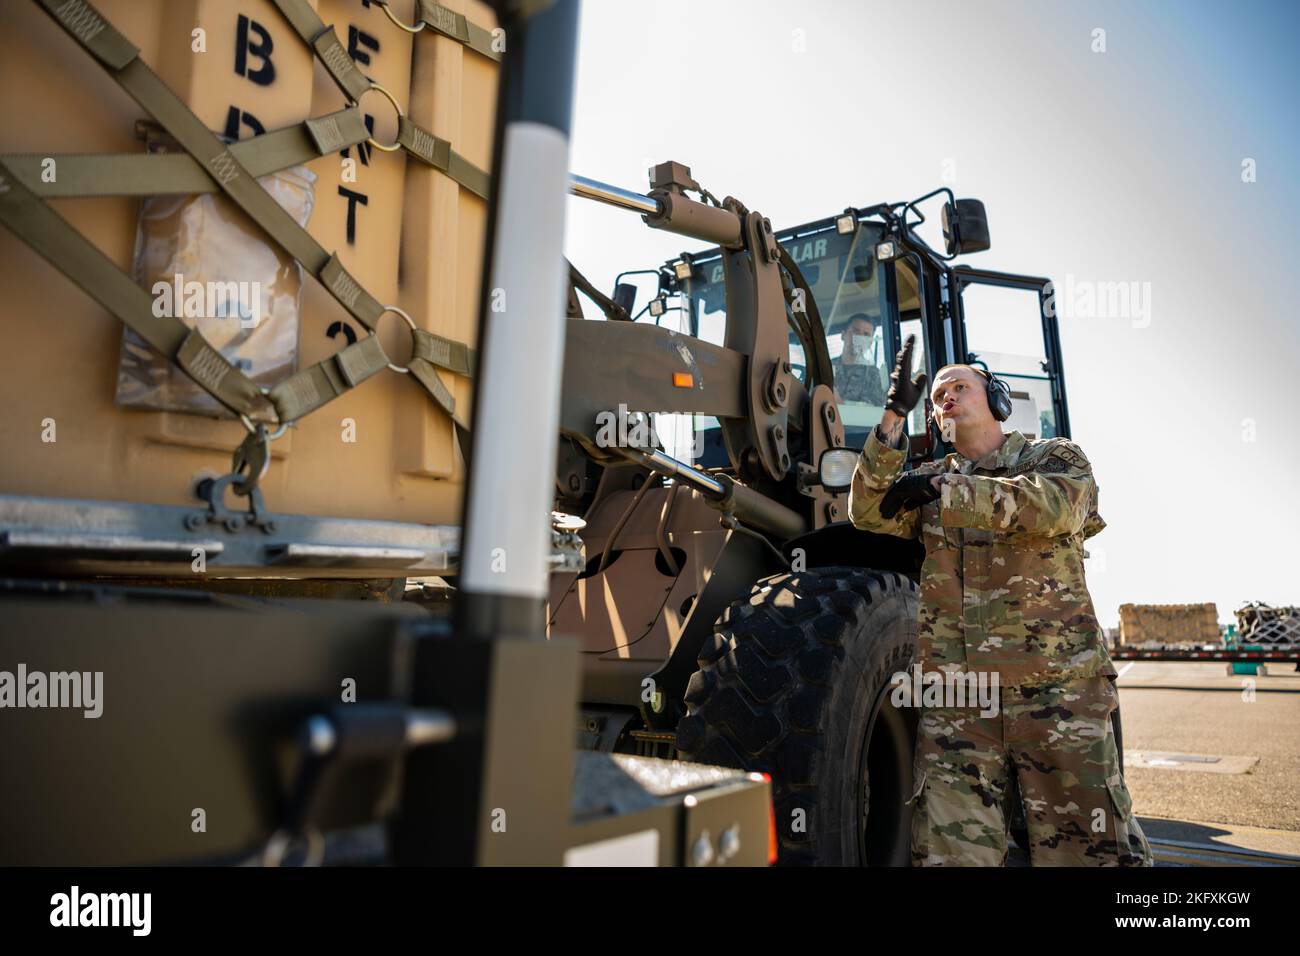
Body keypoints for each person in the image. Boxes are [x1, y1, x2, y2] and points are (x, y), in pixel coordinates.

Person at [847, 336, 1152, 867]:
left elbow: (1056, 508)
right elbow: (866, 512)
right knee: (947, 854)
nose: (945, 395)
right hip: (960, 703)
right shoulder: (931, 481)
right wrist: (893, 419)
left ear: (998, 400)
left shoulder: (1053, 456)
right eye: (936, 392)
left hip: (1057, 695)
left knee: (1085, 851)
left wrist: (947, 492)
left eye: (959, 385)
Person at [831, 314, 886, 406]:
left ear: (870, 342)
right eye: (855, 331)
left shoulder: (873, 374)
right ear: (843, 335)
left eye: (866, 334)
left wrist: (839, 402)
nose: (860, 338)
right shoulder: (825, 366)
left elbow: (872, 410)